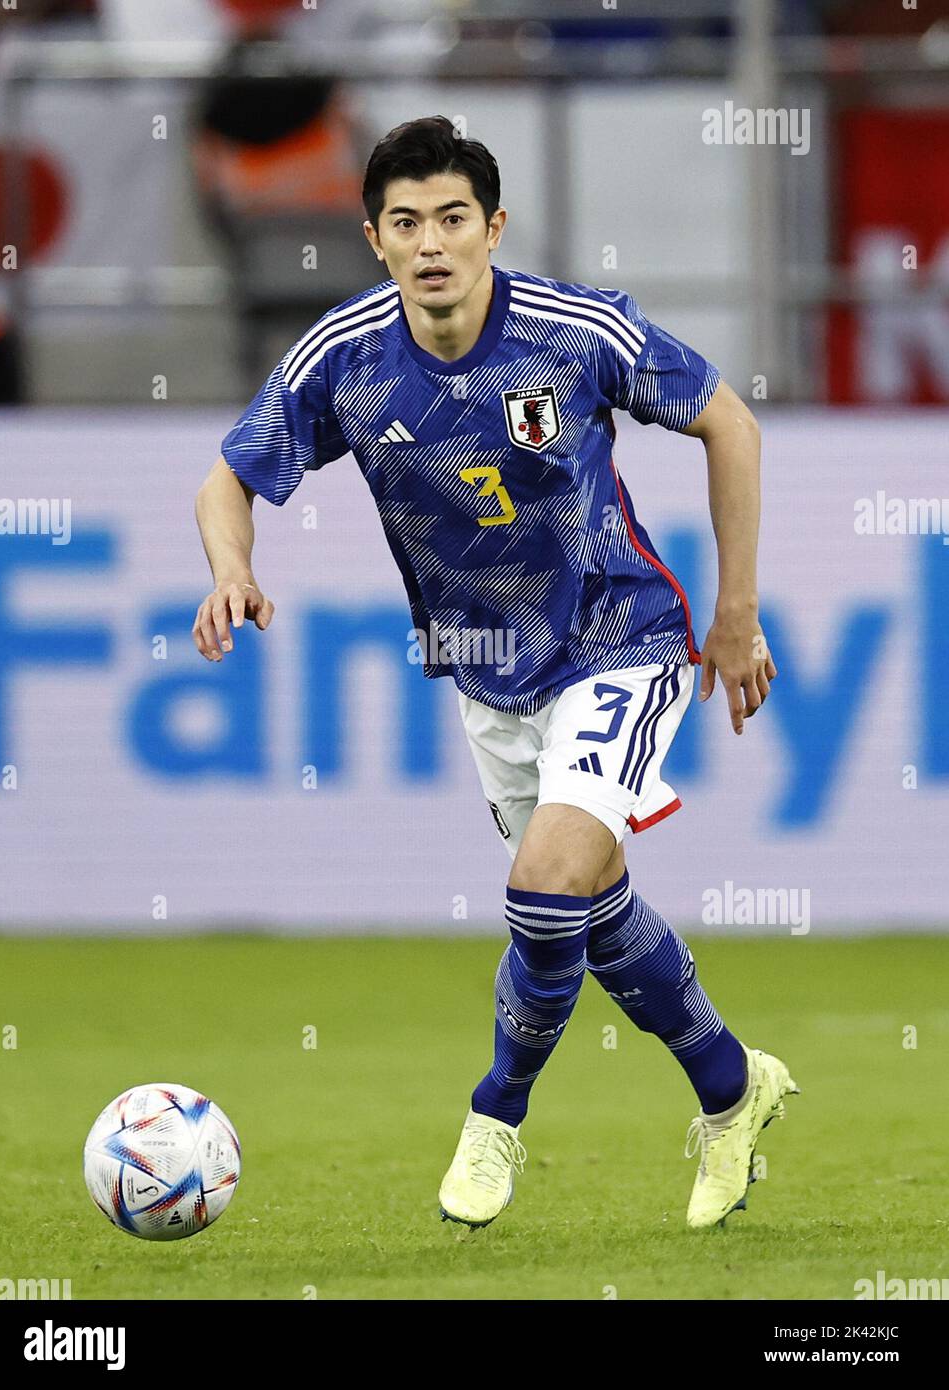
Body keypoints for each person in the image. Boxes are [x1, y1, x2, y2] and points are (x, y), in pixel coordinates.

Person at [192, 115, 799, 1231]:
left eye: (454, 220)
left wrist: (736, 613)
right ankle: (731, 1088)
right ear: (374, 236)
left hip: (621, 635)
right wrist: (232, 566)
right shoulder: (347, 360)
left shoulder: (574, 331)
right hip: (489, 676)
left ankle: (495, 1116)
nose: (432, 244)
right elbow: (229, 478)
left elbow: (731, 423)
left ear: (493, 227)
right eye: (408, 223)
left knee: (545, 885)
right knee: (587, 910)